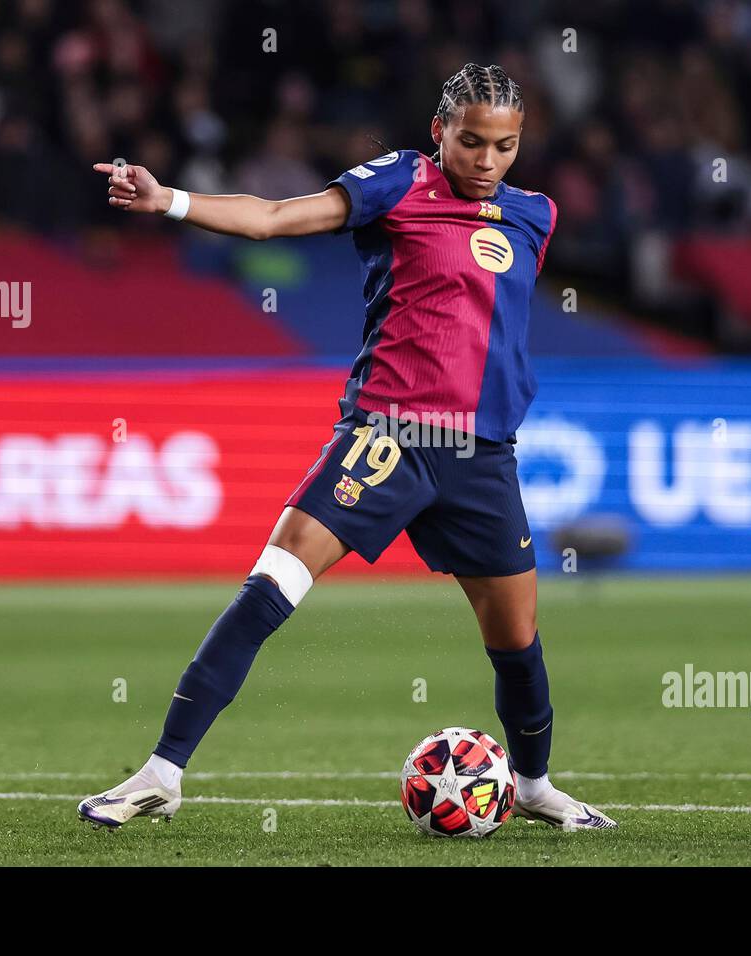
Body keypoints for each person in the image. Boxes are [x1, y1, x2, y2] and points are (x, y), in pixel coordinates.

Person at [80, 63, 616, 832]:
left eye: (505, 146)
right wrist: (170, 199)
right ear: (440, 132)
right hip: (389, 435)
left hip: (484, 457)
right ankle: (161, 774)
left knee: (517, 641)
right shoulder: (398, 183)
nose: (487, 161)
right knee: (272, 584)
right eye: (470, 142)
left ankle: (532, 787)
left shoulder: (534, 215)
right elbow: (270, 218)